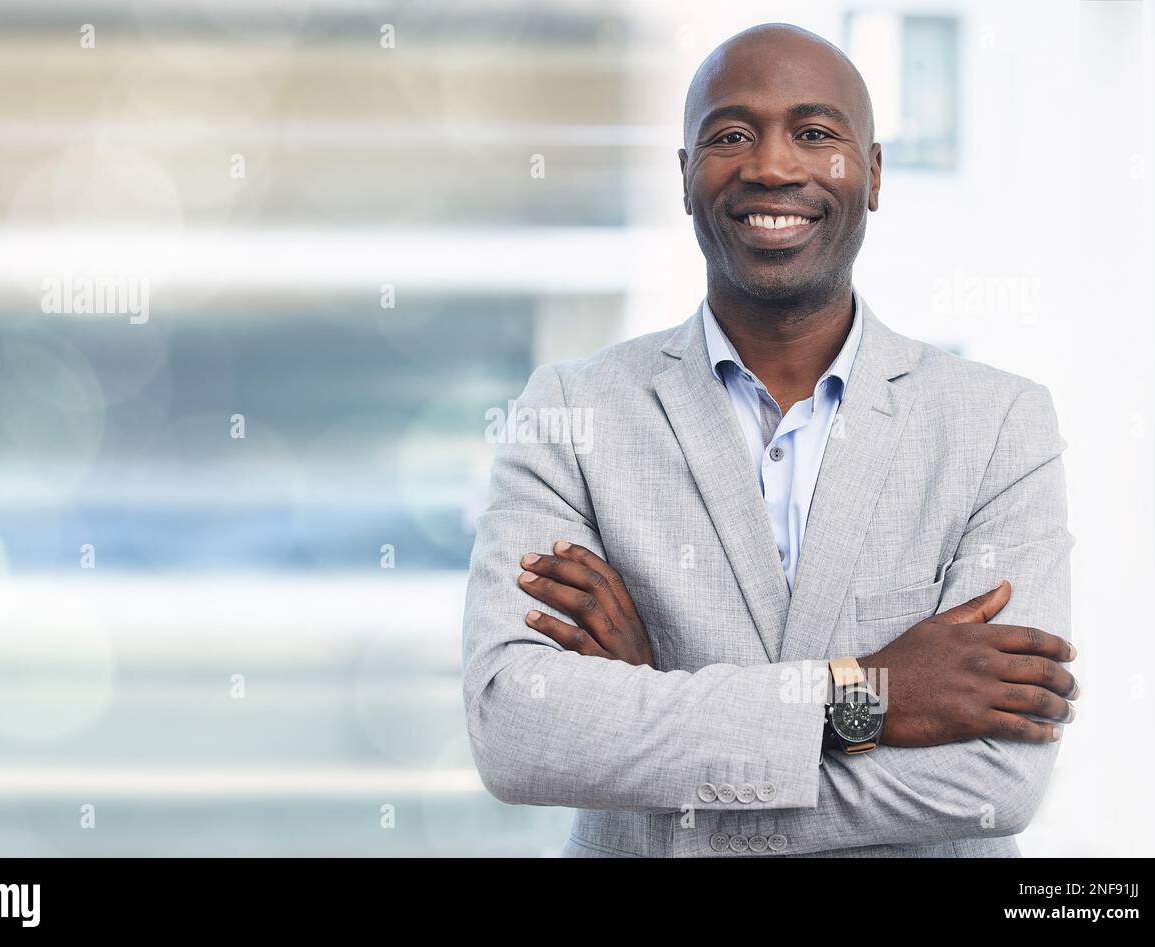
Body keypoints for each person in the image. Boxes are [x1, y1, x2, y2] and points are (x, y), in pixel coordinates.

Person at [461, 23, 1078, 858]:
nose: (772, 166)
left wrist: (658, 718)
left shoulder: (999, 425)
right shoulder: (571, 413)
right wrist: (870, 696)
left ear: (874, 175)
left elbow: (993, 782)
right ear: (685, 177)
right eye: (730, 135)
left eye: (816, 133)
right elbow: (518, 727)